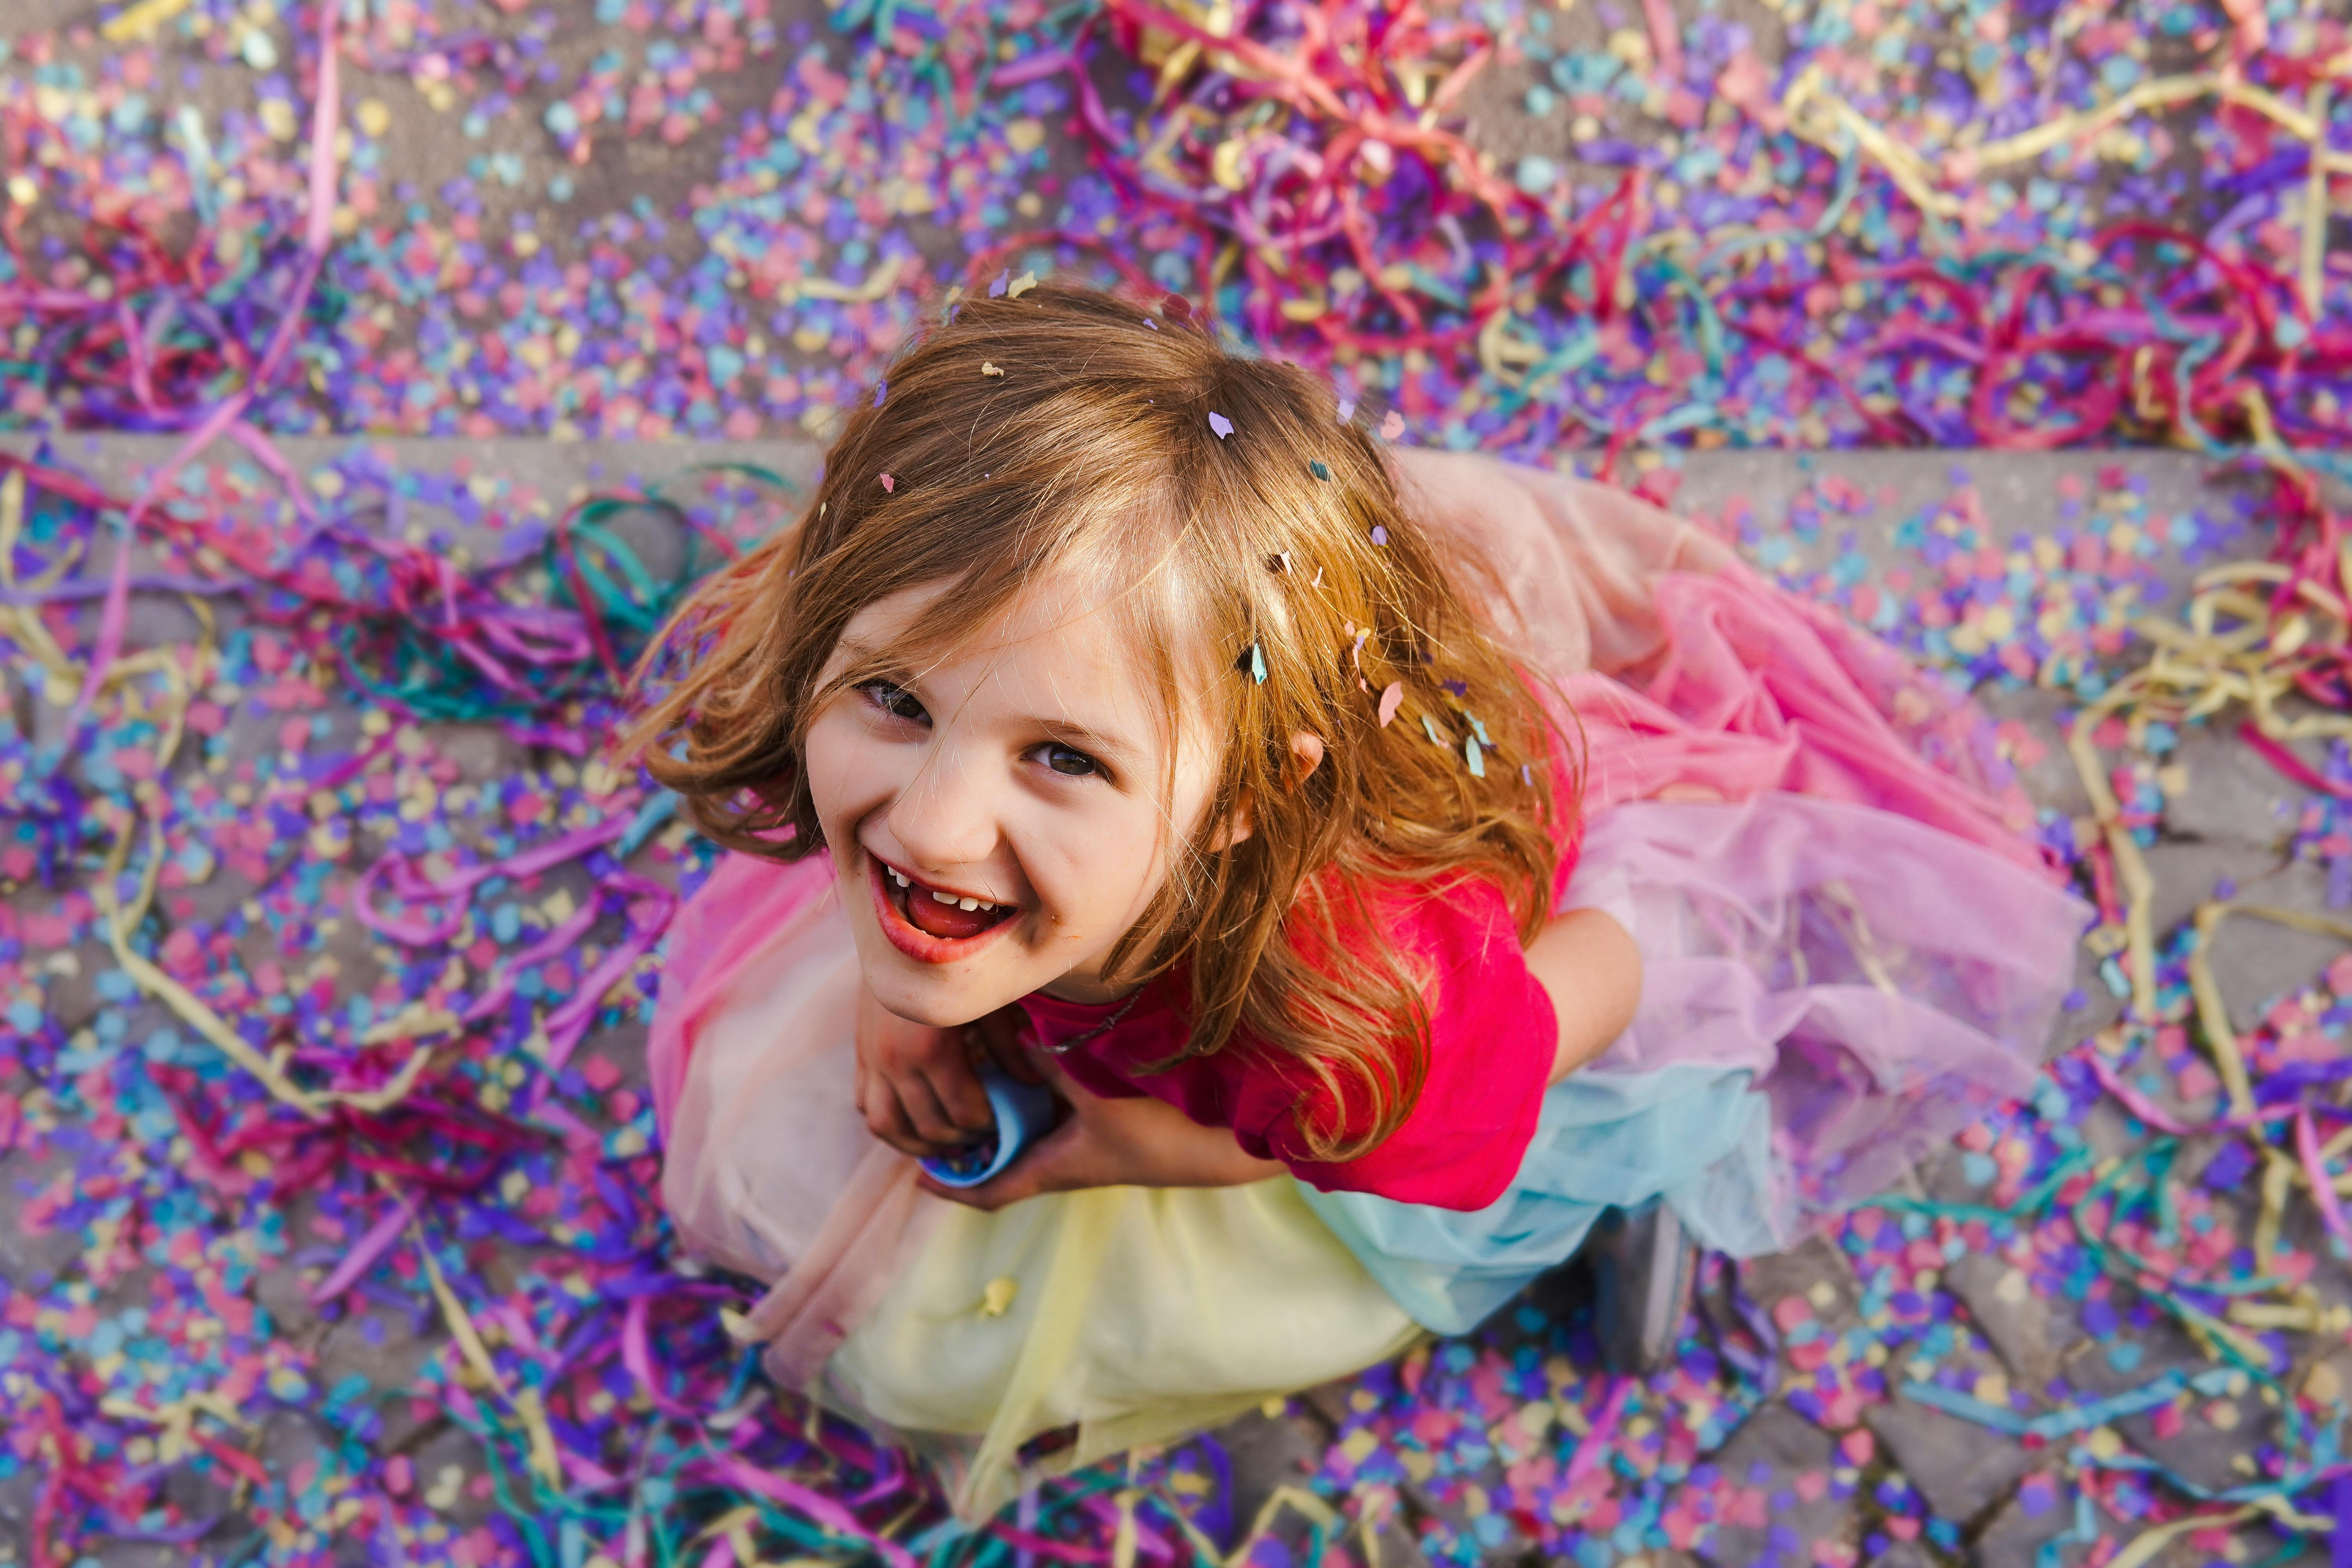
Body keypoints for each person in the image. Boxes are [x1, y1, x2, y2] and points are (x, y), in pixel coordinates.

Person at [629, 284, 2088, 1518]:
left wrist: (1146, 1159)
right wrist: (902, 994)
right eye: (891, 696)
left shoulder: (1359, 1018)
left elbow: (1593, 989)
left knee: (936, 1348)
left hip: (1415, 1069)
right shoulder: (981, 778)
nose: (933, 822)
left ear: (1245, 796)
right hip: (1130, 1007)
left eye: (1063, 756)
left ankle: (1627, 1206)